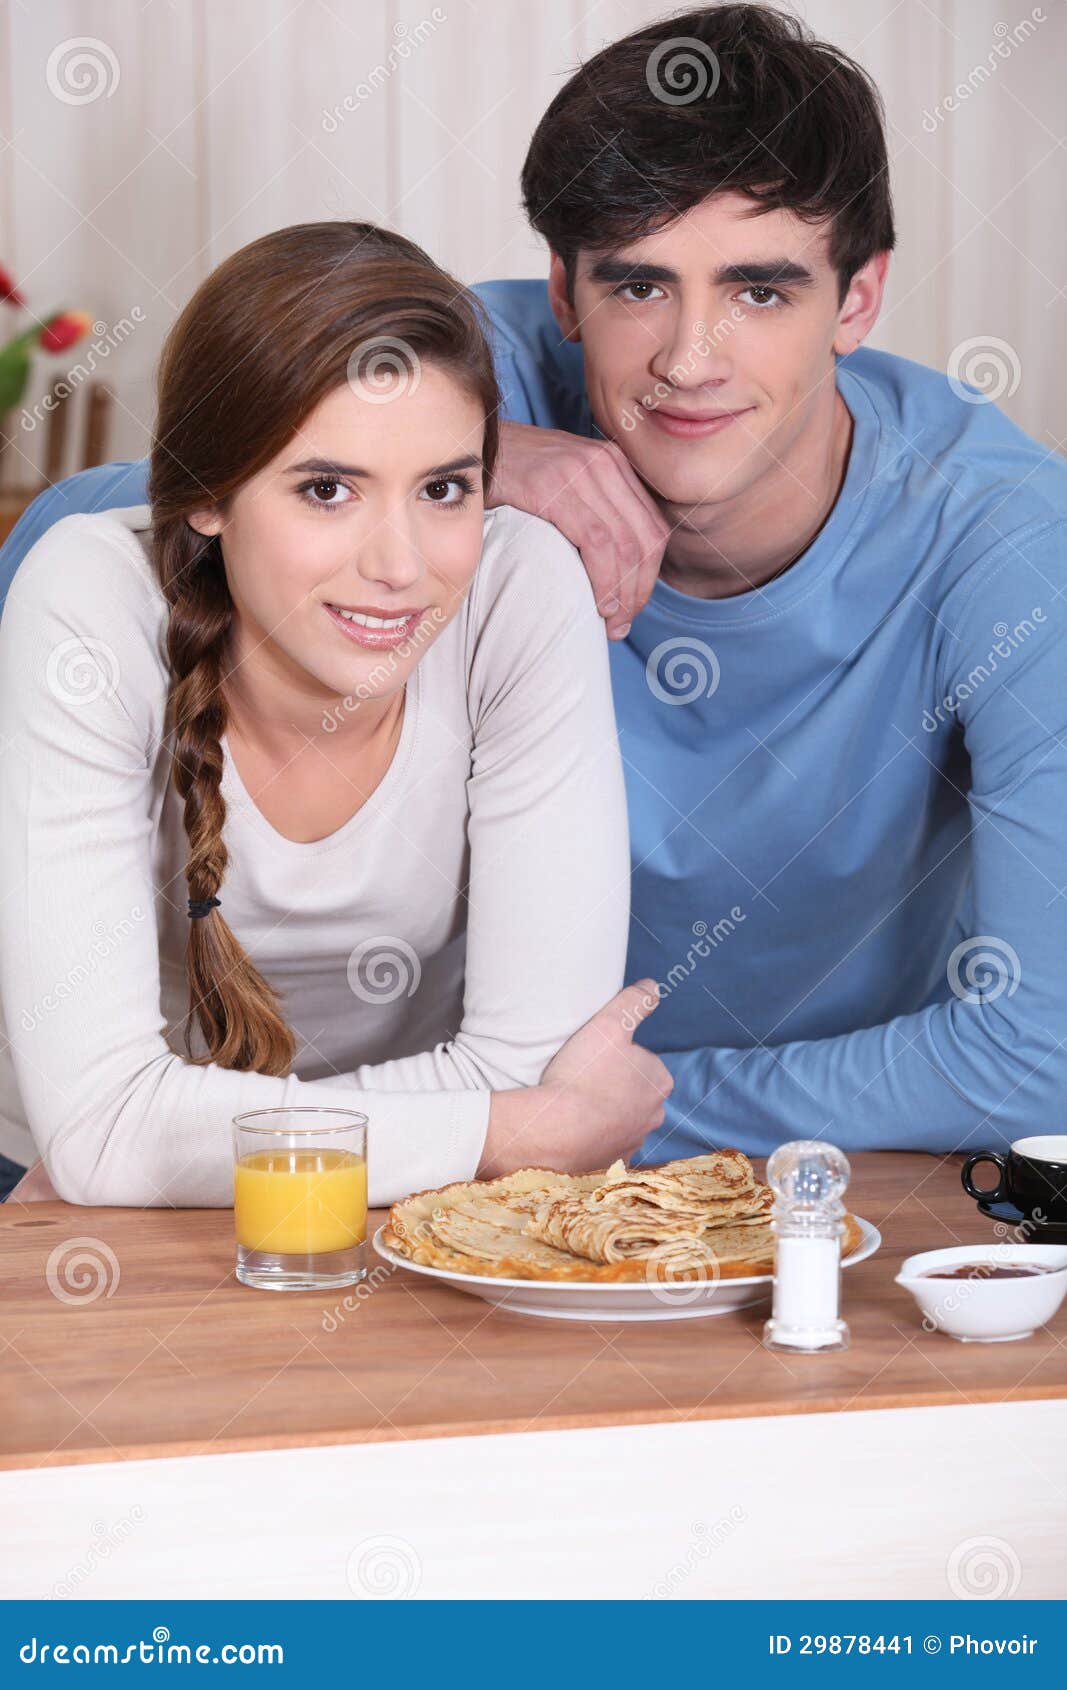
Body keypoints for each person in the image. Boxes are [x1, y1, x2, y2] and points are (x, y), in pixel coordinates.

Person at [4, 4, 1065, 1165]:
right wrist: (486, 466)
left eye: (759, 292)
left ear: (855, 299)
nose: (688, 359)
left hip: (790, 1153)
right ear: (560, 291)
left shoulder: (1006, 543)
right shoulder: (470, 369)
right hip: (425, 1156)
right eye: (636, 287)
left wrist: (579, 1114)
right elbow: (108, 524)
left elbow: (1038, 1050)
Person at [0, 220, 672, 1206]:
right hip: (55, 1202)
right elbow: (99, 1132)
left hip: (413, 1200)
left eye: (443, 488)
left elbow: (533, 1063)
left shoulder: (520, 590)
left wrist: (167, 1139)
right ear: (208, 496)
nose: (399, 566)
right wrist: (506, 1127)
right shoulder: (88, 601)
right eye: (326, 489)